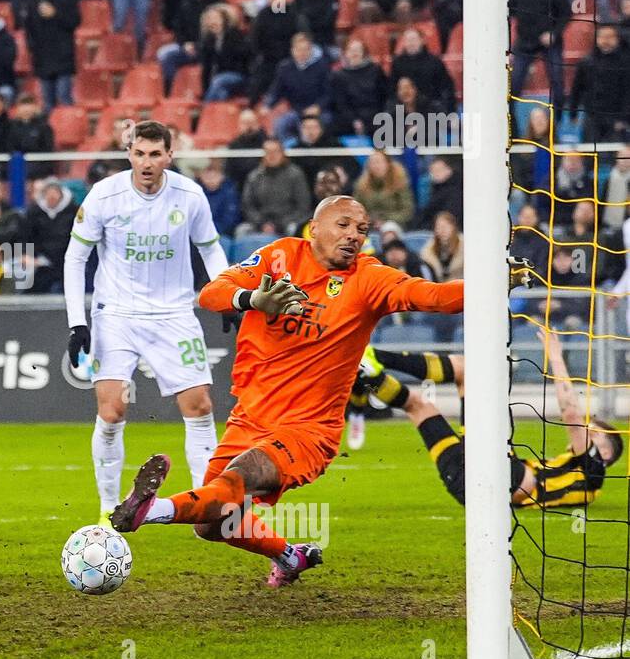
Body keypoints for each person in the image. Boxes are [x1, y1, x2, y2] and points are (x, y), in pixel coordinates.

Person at [110, 195, 464, 587]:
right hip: (249, 417)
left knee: (237, 480)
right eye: (343, 225)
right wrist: (252, 299)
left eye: (361, 230)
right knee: (212, 524)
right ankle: (291, 556)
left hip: (308, 429)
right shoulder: (280, 258)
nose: (354, 237)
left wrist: (491, 281)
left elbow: (434, 296)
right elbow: (212, 293)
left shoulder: (370, 278)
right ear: (314, 229)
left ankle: (149, 509)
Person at [62, 120, 230, 524]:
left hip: (174, 313)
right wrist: (77, 322)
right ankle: (107, 508)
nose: (147, 162)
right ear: (129, 153)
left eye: (155, 154)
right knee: (113, 409)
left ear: (169, 156)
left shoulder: (190, 196)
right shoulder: (105, 195)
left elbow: (210, 250)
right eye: (140, 153)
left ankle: (205, 504)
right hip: (116, 314)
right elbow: (75, 258)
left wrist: (228, 297)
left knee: (200, 405)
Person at [364, 333, 622, 509]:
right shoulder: (573, 473)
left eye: (594, 432)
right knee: (417, 406)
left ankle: (375, 356)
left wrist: (555, 355)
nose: (586, 431)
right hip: (466, 486)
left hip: (501, 479)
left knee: (470, 372)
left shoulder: (594, 469)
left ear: (606, 452)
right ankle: (365, 373)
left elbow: (571, 412)